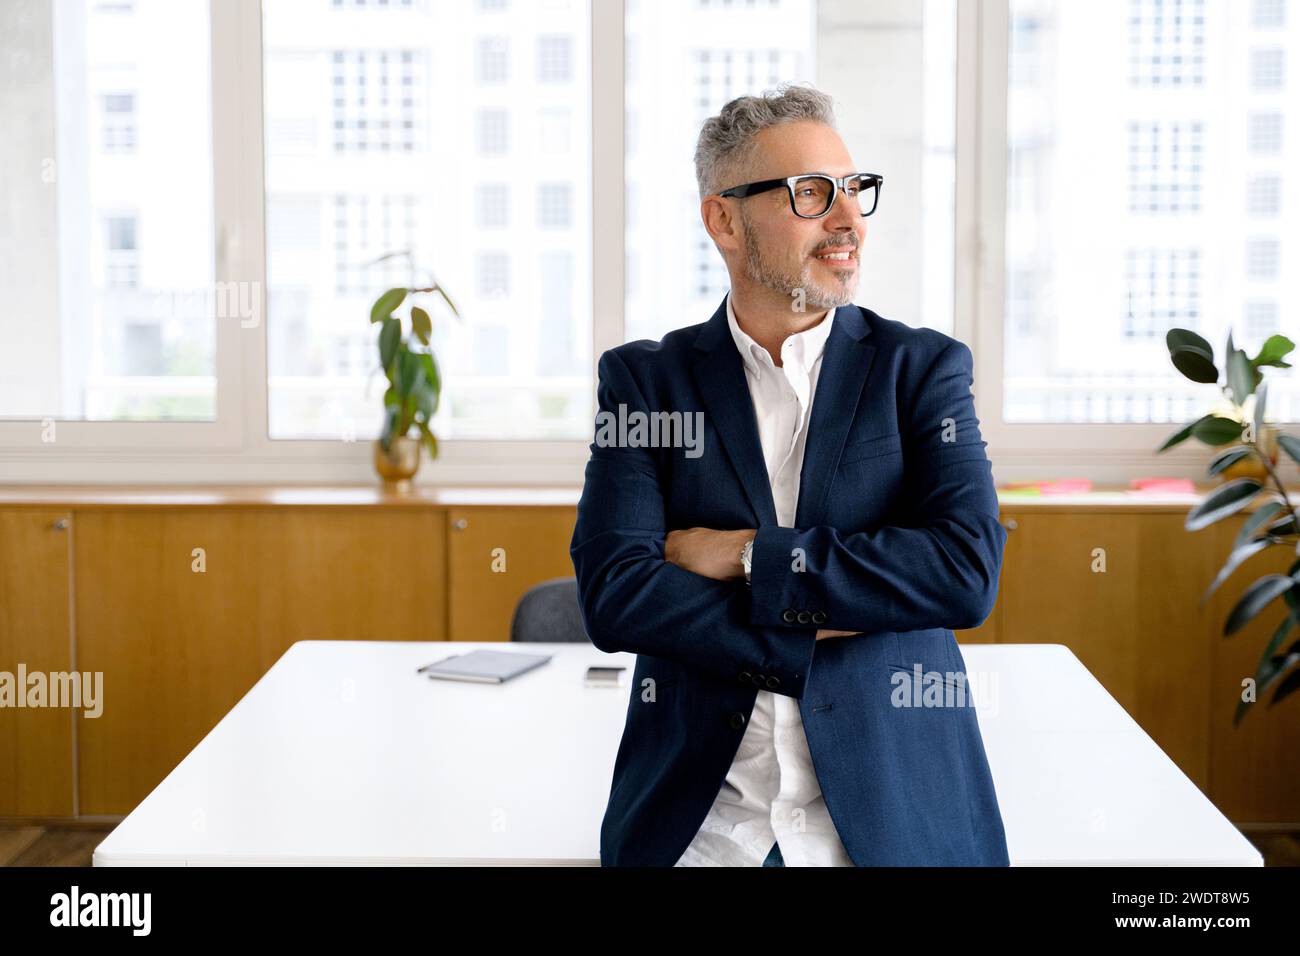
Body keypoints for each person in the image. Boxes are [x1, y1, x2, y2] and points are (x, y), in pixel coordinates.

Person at [570, 82, 1010, 867]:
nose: (848, 221)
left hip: (892, 821)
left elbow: (964, 572)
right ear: (724, 219)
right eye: (811, 193)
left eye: (854, 190)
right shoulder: (646, 383)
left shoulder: (922, 371)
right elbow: (615, 592)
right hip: (701, 829)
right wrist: (829, 619)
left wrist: (748, 559)